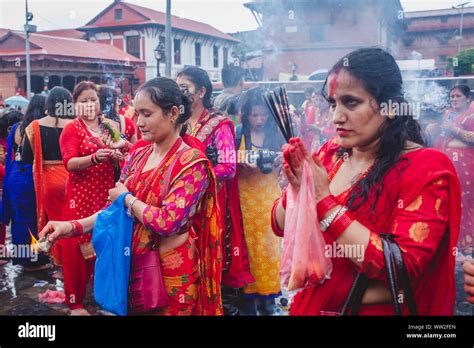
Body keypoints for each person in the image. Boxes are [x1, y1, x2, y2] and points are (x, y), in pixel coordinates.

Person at [271, 48, 461, 315]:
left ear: (391, 107)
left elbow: (401, 267)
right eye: (333, 103)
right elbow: (280, 225)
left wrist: (324, 204)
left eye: (351, 102)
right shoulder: (331, 153)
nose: (336, 116)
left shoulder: (426, 169)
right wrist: (297, 189)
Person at [40, 77, 223, 315]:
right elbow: (113, 212)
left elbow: (168, 222)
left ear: (173, 113)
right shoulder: (139, 156)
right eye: (137, 114)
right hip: (131, 265)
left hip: (171, 275)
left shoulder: (191, 163)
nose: (139, 123)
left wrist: (127, 199)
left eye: (147, 114)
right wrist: (71, 227)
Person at [176, 66, 254, 315]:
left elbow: (229, 167)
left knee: (214, 258)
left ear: (201, 91)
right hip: (183, 202)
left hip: (212, 203)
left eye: (184, 87)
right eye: (177, 87)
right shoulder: (177, 122)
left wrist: (200, 177)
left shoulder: (220, 124)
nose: (180, 92)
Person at [59, 81, 121, 315]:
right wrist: (95, 158)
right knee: (78, 246)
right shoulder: (72, 129)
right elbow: (70, 163)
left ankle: (103, 294)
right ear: (75, 105)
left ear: (99, 102)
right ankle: (75, 300)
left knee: (104, 243)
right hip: (80, 196)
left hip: (105, 193)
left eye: (93, 100)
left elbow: (122, 150)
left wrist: (117, 154)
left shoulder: (109, 126)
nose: (89, 105)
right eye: (83, 101)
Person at [235, 87, 284, 315]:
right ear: (245, 115)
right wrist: (240, 161)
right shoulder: (238, 134)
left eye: (263, 115)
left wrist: (281, 160)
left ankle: (269, 301)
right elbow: (226, 161)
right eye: (254, 115)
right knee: (247, 250)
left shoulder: (277, 134)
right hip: (244, 202)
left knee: (270, 249)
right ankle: (248, 302)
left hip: (269, 202)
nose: (259, 120)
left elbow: (290, 160)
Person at [21, 87, 75, 276]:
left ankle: (61, 265)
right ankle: (74, 262)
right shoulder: (76, 124)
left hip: (49, 182)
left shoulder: (34, 126)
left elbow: (26, 159)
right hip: (72, 178)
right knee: (73, 223)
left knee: (55, 224)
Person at [1, 98, 52, 271]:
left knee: (19, 220)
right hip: (33, 177)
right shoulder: (39, 128)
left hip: (15, 176)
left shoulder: (16, 128)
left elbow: (9, 157)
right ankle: (37, 259)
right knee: (35, 219)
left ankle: (24, 259)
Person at [431, 85, 473, 255]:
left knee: (465, 200)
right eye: (452, 96)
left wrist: (455, 130)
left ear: (468, 99)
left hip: (465, 165)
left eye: (458, 96)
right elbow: (442, 135)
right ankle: (449, 237)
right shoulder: (448, 114)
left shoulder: (471, 115)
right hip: (448, 163)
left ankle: (467, 242)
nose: (454, 99)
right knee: (448, 198)